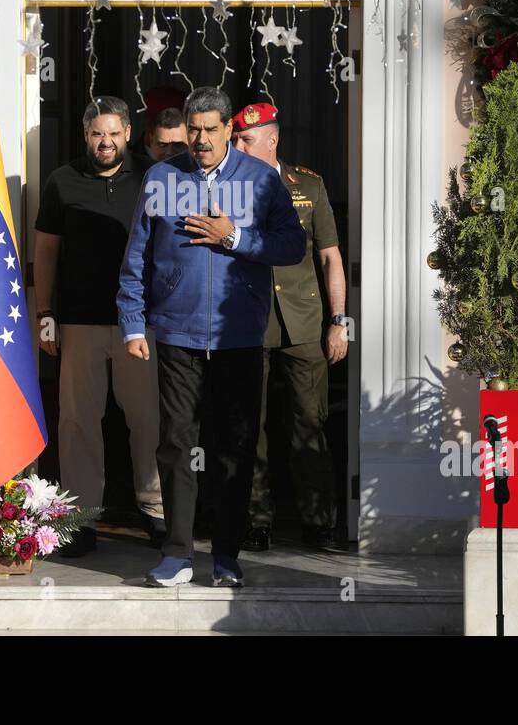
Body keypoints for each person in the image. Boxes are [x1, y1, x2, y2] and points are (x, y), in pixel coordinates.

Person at [118, 87, 306, 588]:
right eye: (193, 130)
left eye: (209, 130)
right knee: (176, 444)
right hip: (177, 333)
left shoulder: (263, 180)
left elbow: (292, 246)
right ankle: (177, 554)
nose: (199, 140)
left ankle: (226, 557)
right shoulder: (162, 177)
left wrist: (236, 238)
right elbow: (138, 254)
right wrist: (133, 322)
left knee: (234, 447)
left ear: (228, 130)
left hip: (238, 335)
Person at [34, 96, 165, 556]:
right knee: (78, 422)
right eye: (96, 133)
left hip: (140, 323)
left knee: (147, 418)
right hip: (78, 321)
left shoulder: (155, 177)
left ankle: (156, 511)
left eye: (113, 132)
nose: (105, 141)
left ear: (128, 133)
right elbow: (47, 251)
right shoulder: (61, 181)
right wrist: (45, 313)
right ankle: (81, 517)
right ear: (85, 136)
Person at [230, 102, 347, 551]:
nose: (237, 145)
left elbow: (330, 257)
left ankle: (319, 522)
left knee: (308, 422)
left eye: (245, 139)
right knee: (248, 426)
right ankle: (255, 519)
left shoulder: (307, 185)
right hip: (245, 321)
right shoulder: (226, 186)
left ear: (271, 140)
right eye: (237, 139)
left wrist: (339, 322)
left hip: (303, 321)